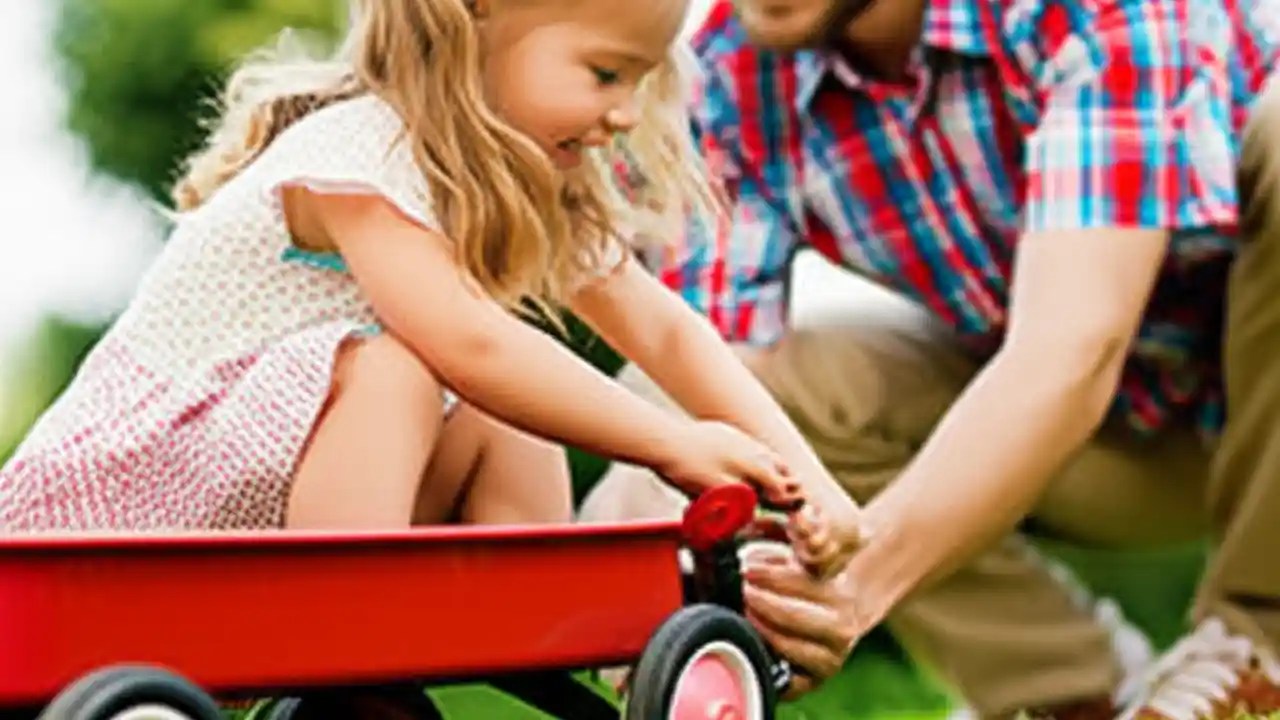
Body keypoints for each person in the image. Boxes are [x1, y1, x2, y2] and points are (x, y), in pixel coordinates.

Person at [581, 0, 1280, 717]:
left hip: (1241, 415)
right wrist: (623, 586)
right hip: (1124, 454)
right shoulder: (733, 72)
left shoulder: (1087, 13)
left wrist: (852, 590)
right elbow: (702, 373)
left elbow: (1072, 353)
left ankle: (1260, 643)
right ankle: (1079, 692)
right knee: (796, 391)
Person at [0, 0, 863, 574]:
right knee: (413, 367)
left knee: (512, 397)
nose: (629, 113)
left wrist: (811, 485)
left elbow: (668, 334)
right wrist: (670, 445)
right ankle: (346, 649)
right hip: (118, 524)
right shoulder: (357, 154)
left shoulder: (517, 184)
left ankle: (524, 614)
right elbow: (468, 340)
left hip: (266, 505)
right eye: (606, 74)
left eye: (643, 80)